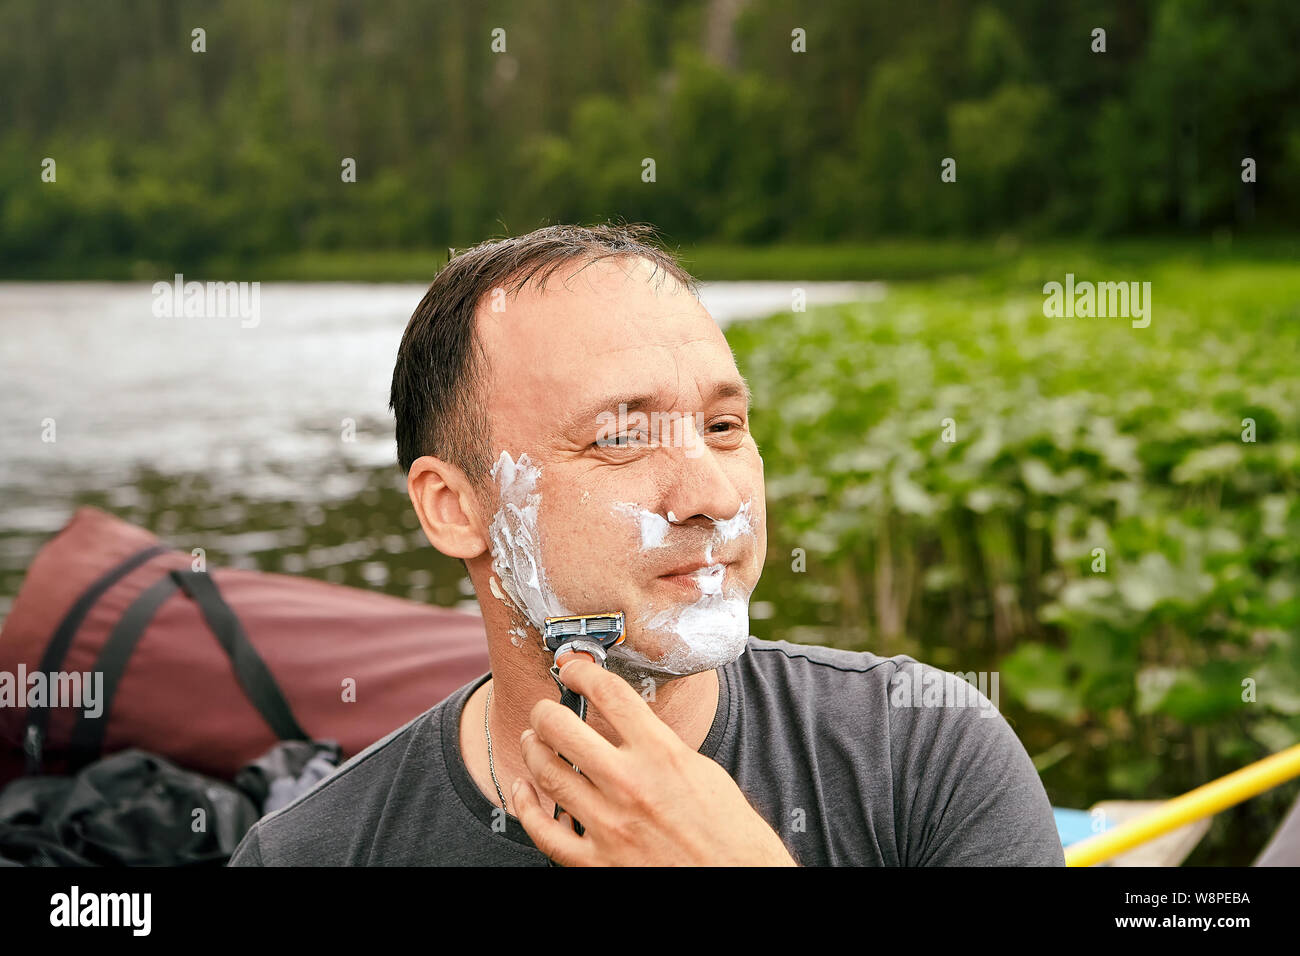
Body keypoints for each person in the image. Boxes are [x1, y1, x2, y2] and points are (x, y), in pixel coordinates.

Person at [228, 223, 1064, 866]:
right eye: (622, 437)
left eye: (723, 427)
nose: (712, 496)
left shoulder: (922, 758)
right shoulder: (312, 853)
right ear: (453, 507)